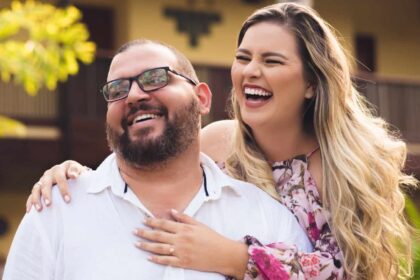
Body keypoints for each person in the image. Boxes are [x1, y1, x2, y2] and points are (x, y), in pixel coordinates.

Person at [25, 3, 417, 280]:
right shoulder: (219, 142)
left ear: (313, 82)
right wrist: (72, 174)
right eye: (243, 58)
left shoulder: (345, 166)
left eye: (272, 61)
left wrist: (234, 257)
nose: (251, 72)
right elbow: (140, 170)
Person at [3, 39, 312, 280]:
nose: (134, 95)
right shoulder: (55, 213)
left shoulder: (268, 219)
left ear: (202, 98)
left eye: (155, 78)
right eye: (117, 88)